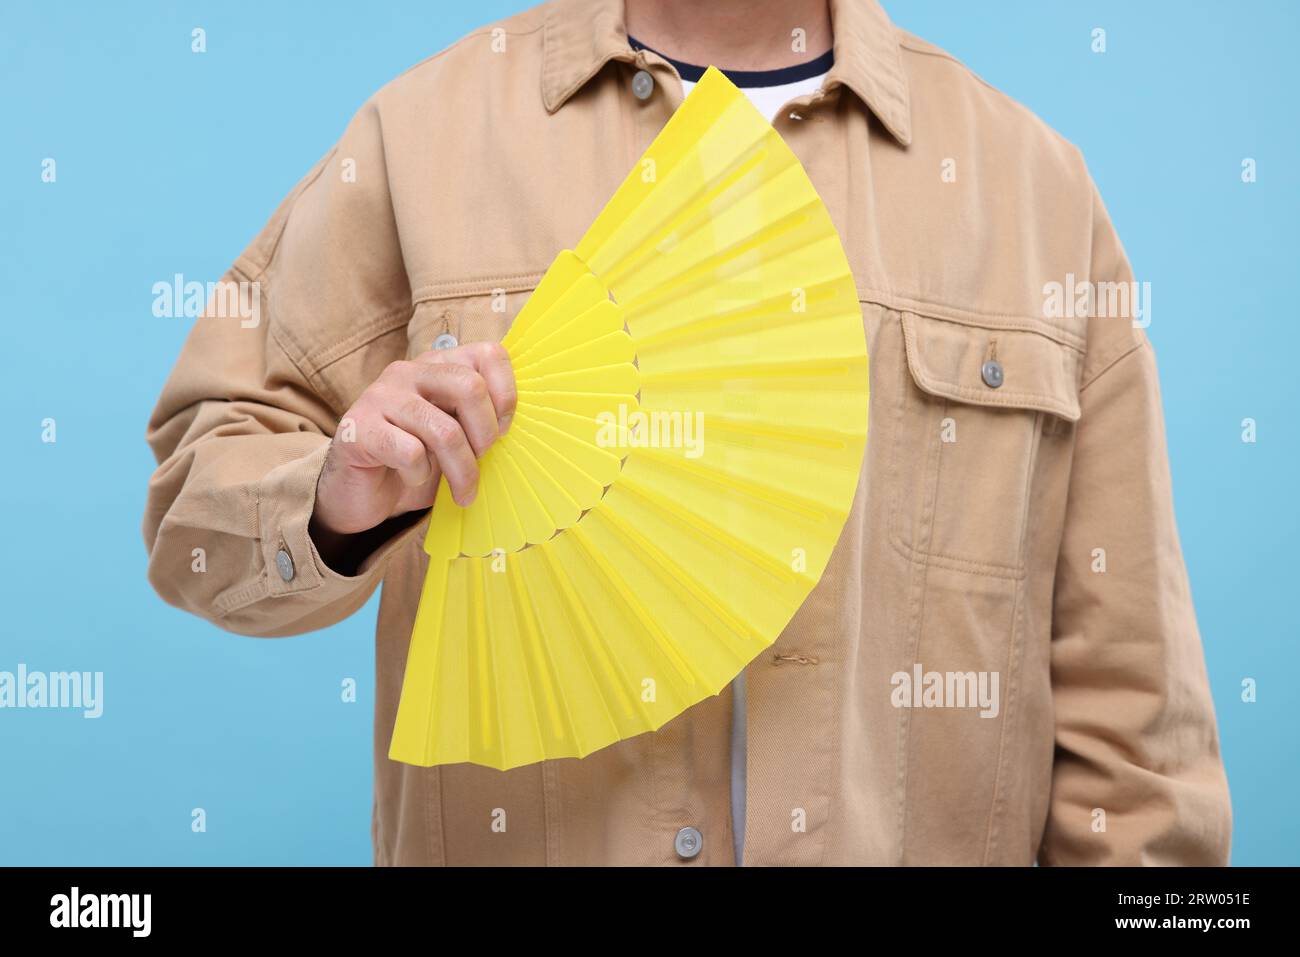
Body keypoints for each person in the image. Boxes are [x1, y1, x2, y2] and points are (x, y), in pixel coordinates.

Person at [143, 0, 1231, 866]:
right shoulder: (418, 139)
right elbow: (193, 519)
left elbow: (1133, 730)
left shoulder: (1033, 188)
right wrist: (332, 506)